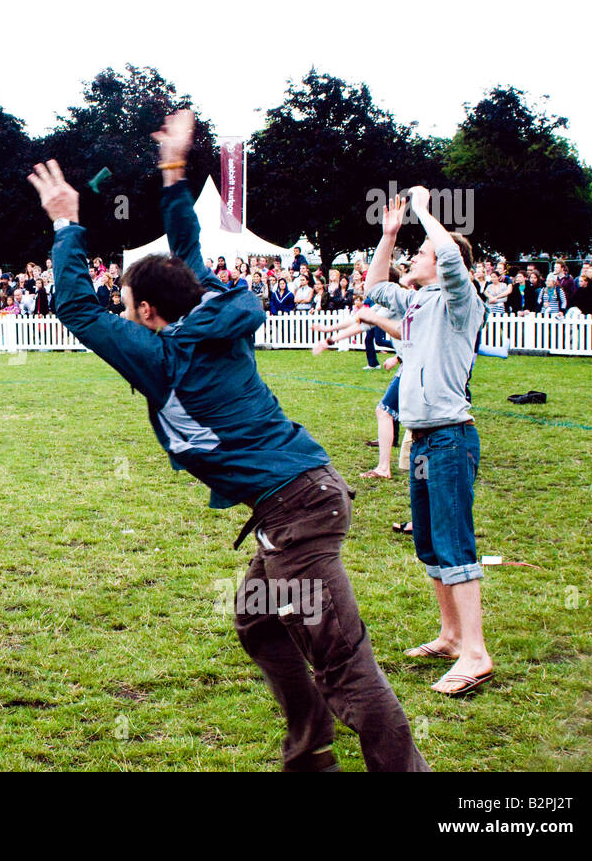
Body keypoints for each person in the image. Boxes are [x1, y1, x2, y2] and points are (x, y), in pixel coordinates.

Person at [27, 109, 426, 772]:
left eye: (130, 309)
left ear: (148, 314)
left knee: (346, 666)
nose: (128, 318)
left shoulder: (166, 355)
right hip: (297, 502)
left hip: (298, 515)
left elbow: (74, 306)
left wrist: (68, 222)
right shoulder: (211, 304)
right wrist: (174, 173)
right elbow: (186, 247)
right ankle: (310, 753)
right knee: (258, 619)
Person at [365, 188, 491, 698]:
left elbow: (451, 258)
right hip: (422, 444)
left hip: (450, 441)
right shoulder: (417, 300)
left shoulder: (461, 303)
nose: (410, 260)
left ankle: (476, 654)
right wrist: (389, 234)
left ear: (443, 261)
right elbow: (374, 286)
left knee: (455, 543)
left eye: (418, 253)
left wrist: (421, 204)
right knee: (431, 544)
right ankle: (450, 635)